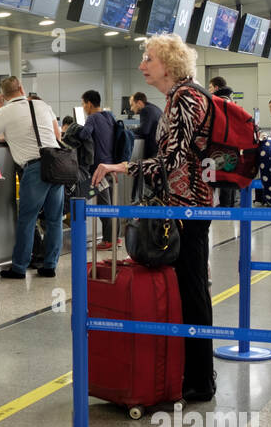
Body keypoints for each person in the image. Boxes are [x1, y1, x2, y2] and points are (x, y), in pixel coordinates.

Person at [93, 34, 215, 402]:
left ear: (169, 63)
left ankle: (199, 379)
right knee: (189, 288)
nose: (142, 64)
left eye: (148, 58)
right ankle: (192, 373)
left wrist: (122, 166)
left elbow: (172, 160)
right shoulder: (181, 96)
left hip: (186, 208)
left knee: (193, 291)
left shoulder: (184, 98)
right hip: (186, 205)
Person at [0, 76, 64, 279]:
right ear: (21, 88)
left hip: (35, 168)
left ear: (2, 96)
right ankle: (49, 266)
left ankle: (19, 267)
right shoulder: (42, 105)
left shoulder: (4, 111)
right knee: (54, 219)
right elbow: (57, 135)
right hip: (56, 164)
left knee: (27, 220)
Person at [80, 90, 118, 249]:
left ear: (89, 103)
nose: (83, 107)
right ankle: (115, 238)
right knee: (112, 204)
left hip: (98, 170)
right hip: (111, 166)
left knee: (104, 205)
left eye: (83, 104)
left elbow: (84, 135)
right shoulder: (110, 116)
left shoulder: (92, 118)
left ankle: (109, 240)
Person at [207, 78, 239, 206]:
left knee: (223, 179)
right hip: (232, 148)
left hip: (222, 148)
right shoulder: (230, 101)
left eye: (210, 87)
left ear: (216, 88)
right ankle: (229, 206)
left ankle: (225, 209)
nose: (208, 90)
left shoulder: (220, 103)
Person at [129, 91, 161, 159]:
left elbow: (144, 130)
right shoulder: (155, 108)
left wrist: (129, 130)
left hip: (152, 151)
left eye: (132, 105)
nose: (131, 109)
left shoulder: (145, 110)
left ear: (139, 103)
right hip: (159, 149)